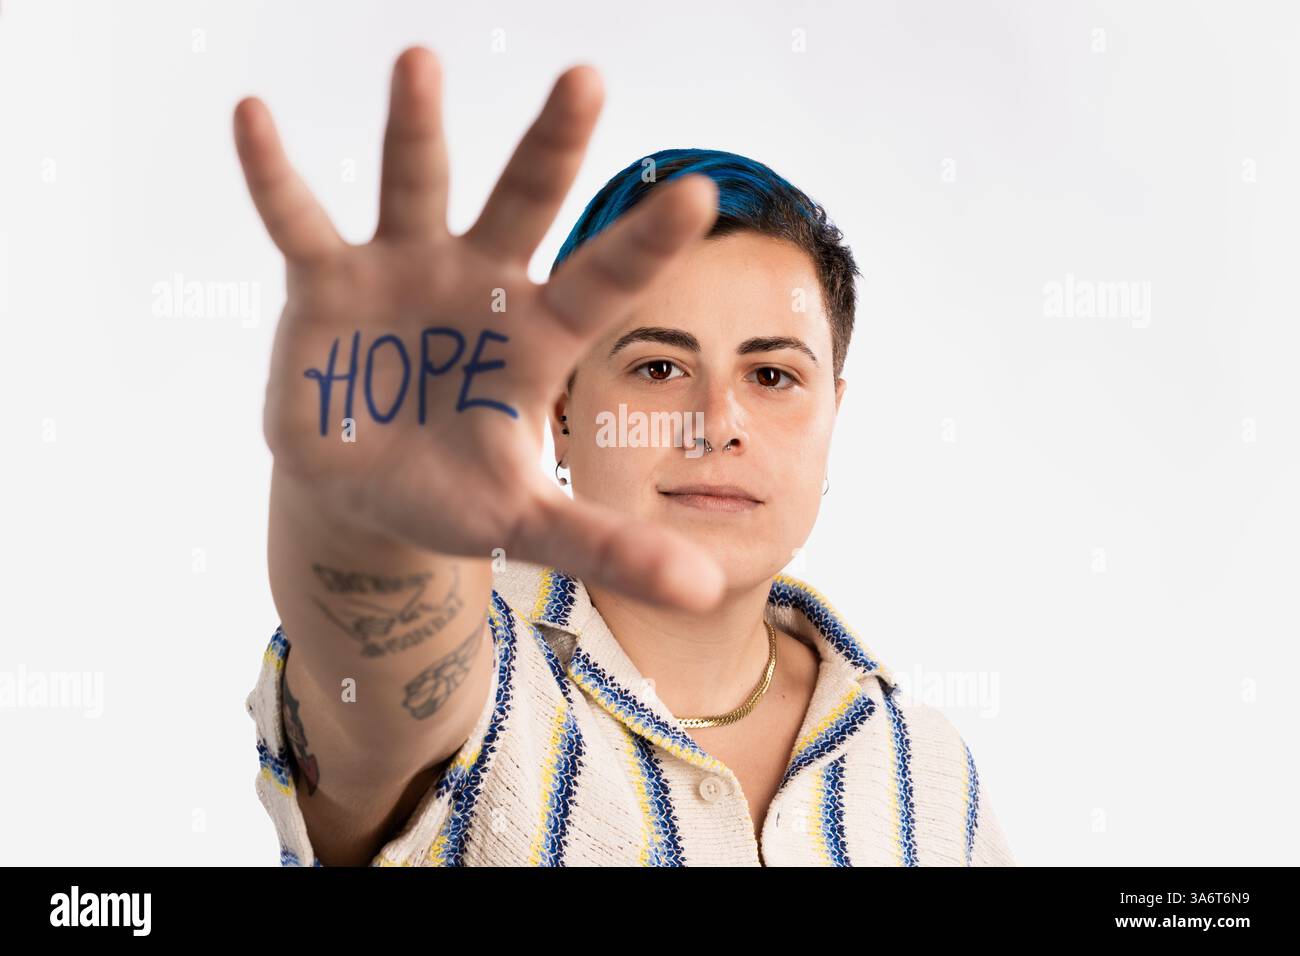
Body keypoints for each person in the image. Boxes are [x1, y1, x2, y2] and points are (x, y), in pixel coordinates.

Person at [237, 46, 1015, 866]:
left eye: (773, 374)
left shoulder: (927, 771)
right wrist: (374, 531)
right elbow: (380, 695)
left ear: (833, 416)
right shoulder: (485, 683)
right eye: (658, 367)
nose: (716, 424)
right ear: (562, 414)